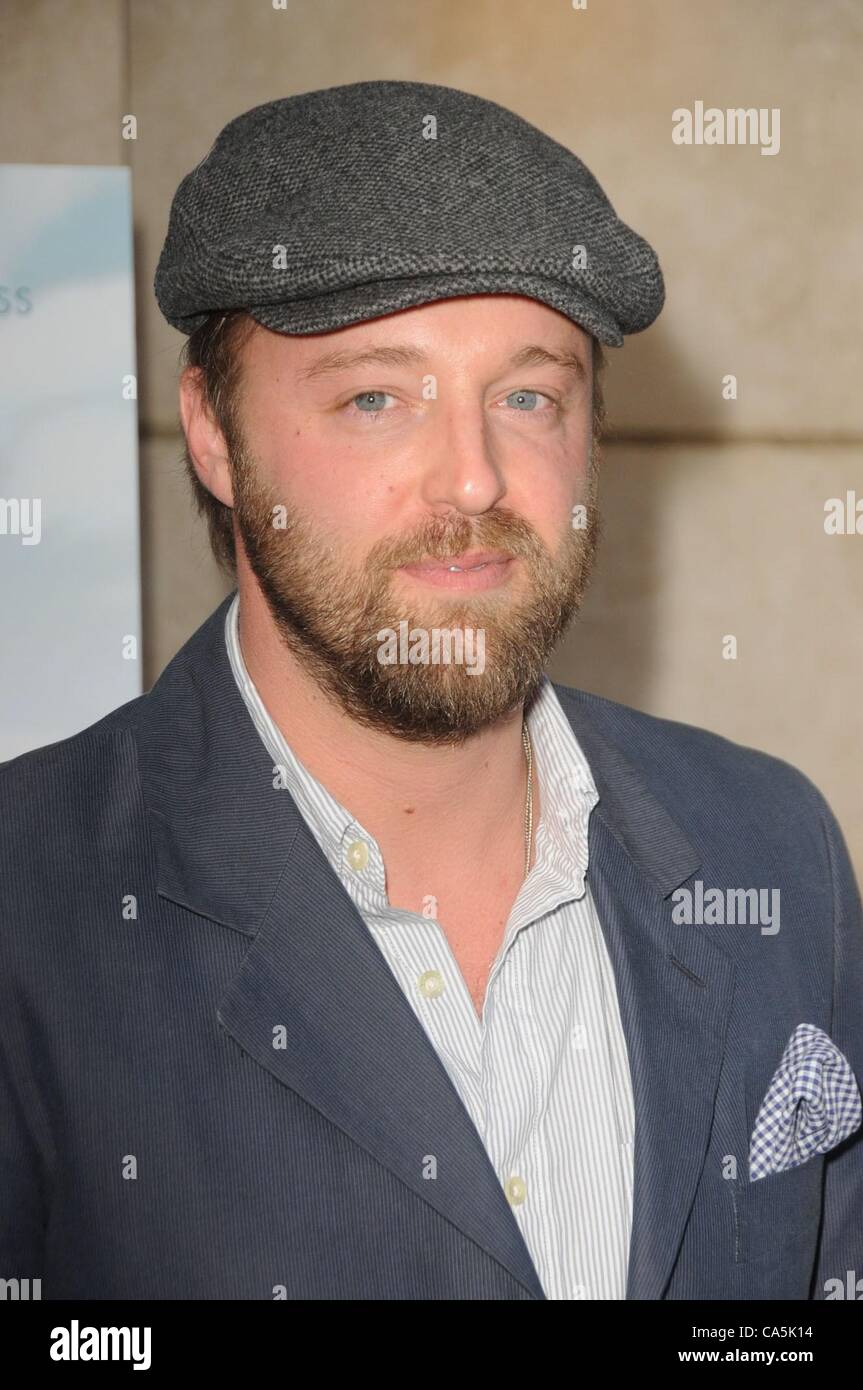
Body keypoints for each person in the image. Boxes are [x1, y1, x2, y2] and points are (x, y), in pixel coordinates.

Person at [1, 80, 860, 1301]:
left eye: (527, 395)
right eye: (374, 397)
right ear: (210, 432)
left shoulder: (768, 846)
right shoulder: (29, 902)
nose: (470, 478)